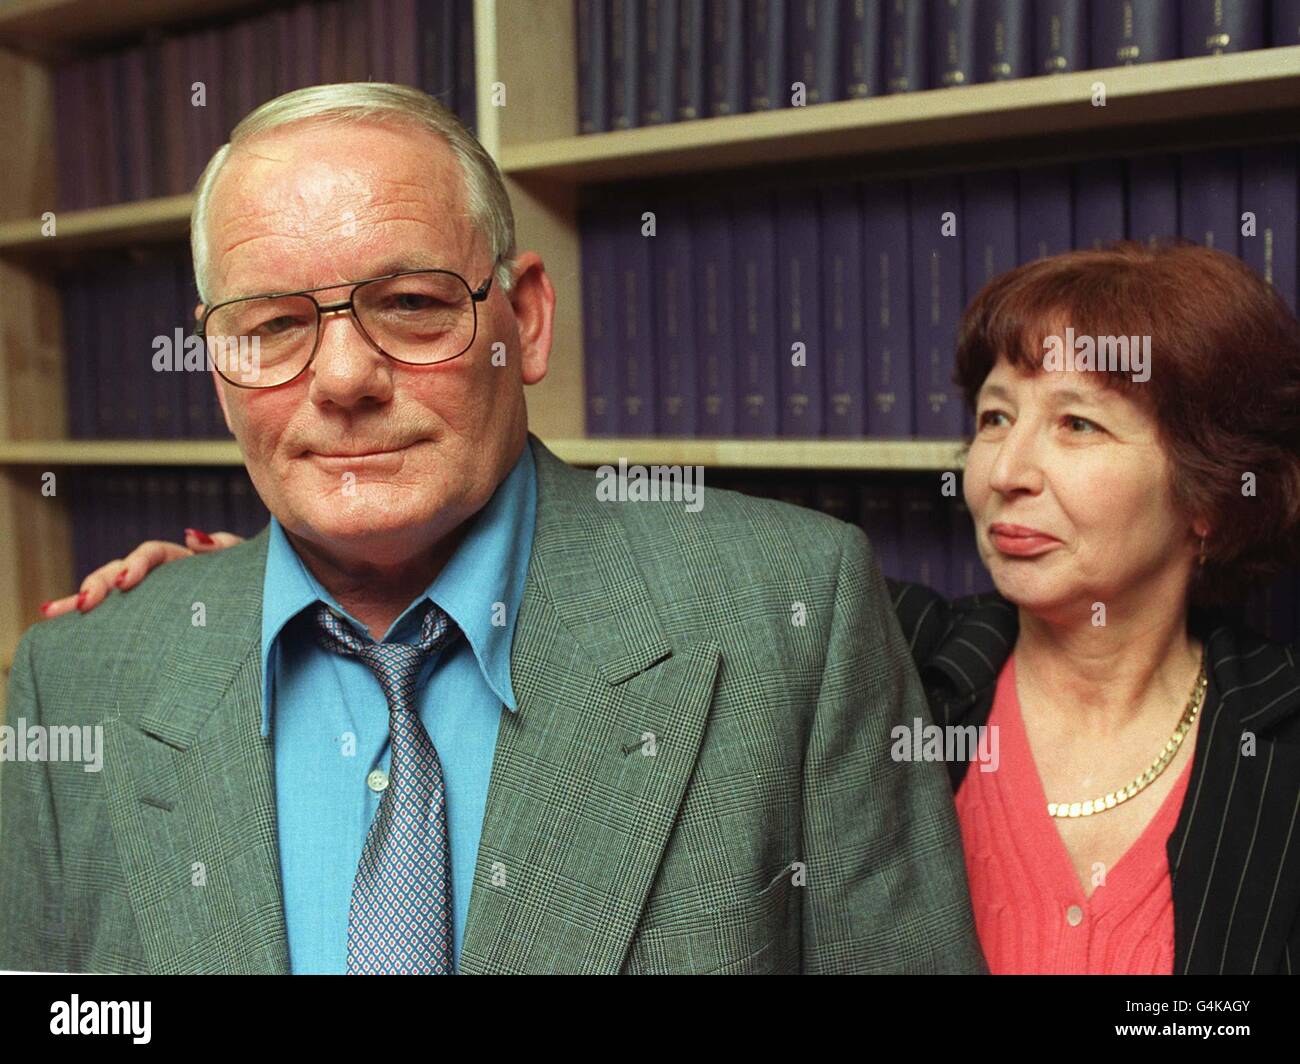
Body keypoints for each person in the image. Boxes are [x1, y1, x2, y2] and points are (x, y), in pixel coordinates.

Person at [0, 83, 982, 975]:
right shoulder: (76, 678)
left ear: (526, 320)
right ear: (219, 363)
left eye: (413, 304)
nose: (344, 380)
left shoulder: (791, 611)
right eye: (274, 326)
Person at [889, 241, 1300, 974]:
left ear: (1207, 496)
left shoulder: (1283, 737)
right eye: (993, 418)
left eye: (1076, 424)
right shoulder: (889, 666)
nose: (1006, 472)